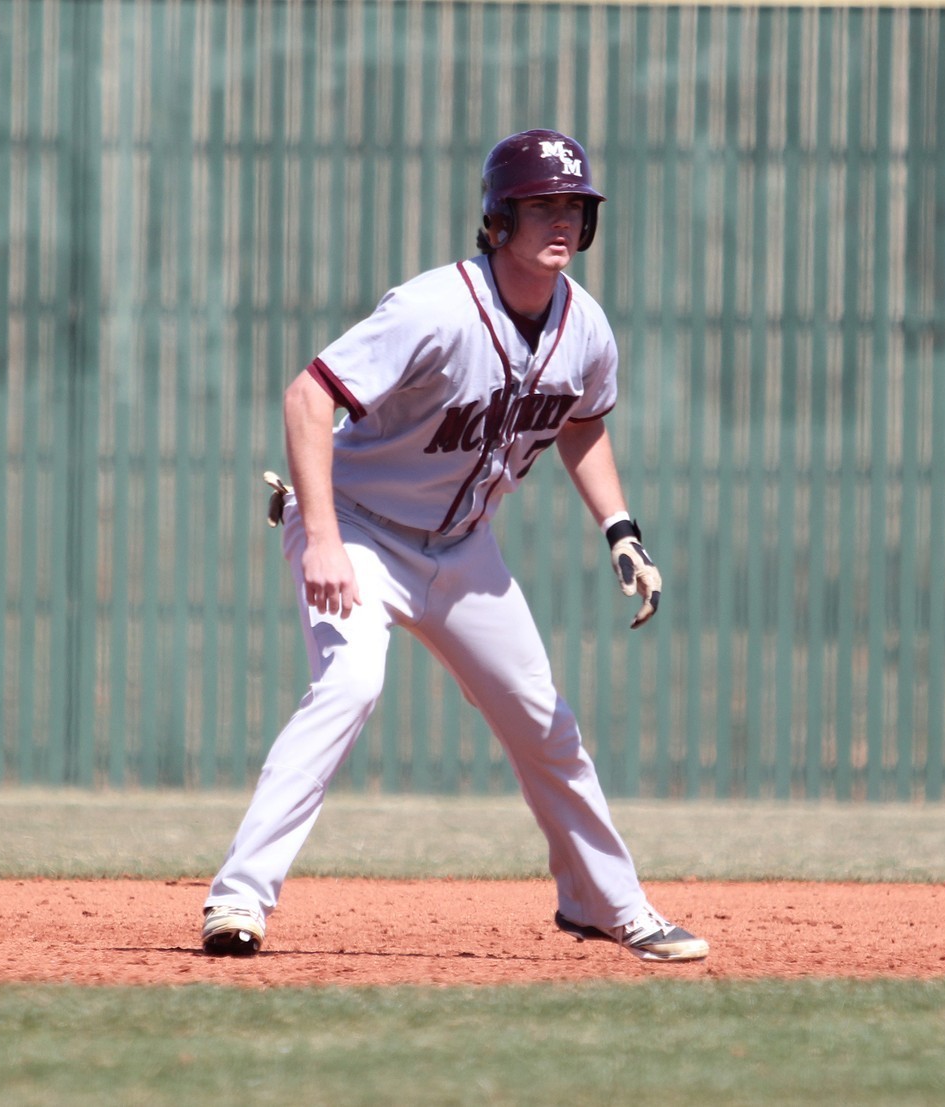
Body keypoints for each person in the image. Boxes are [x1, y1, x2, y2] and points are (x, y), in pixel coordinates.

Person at [200, 129, 708, 964]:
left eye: (575, 207)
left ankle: (606, 903)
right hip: (358, 527)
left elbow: (584, 425)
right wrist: (320, 537)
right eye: (542, 204)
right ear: (499, 217)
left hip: (464, 548)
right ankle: (237, 899)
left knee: (545, 722)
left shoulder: (586, 328)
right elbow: (307, 397)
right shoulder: (434, 307)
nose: (562, 220)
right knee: (350, 684)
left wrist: (621, 529)